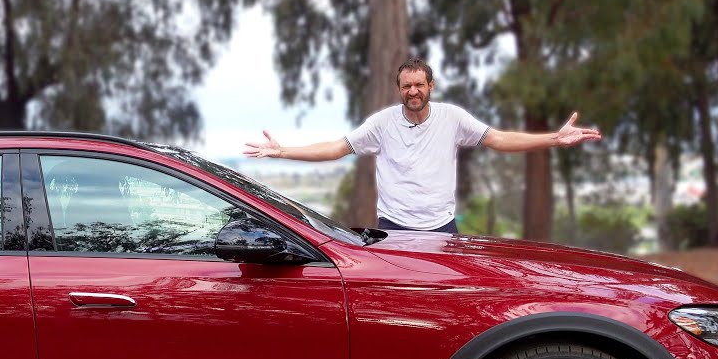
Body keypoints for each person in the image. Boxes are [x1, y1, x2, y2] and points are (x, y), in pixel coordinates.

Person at [242, 57, 602, 233]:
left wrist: (555, 138)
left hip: (443, 229)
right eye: (406, 86)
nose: (412, 91)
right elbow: (337, 147)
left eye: (419, 84)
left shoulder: (452, 118)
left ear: (431, 86)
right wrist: (282, 150)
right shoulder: (382, 123)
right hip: (393, 228)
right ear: (399, 89)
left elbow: (499, 139)